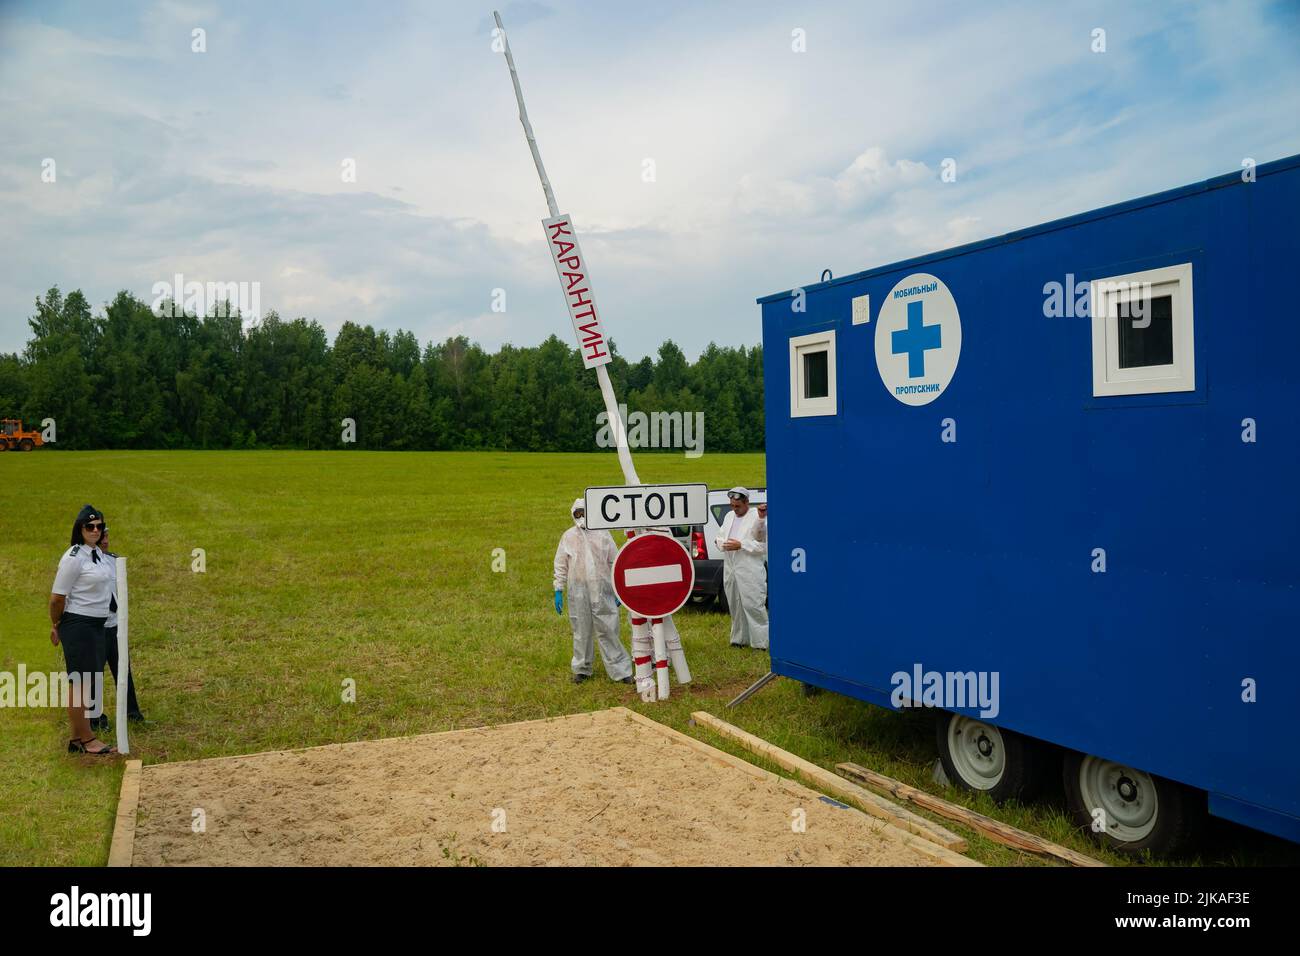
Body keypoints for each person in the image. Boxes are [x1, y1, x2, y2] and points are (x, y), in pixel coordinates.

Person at [49, 505, 117, 755]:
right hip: (79, 625)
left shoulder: (96, 553)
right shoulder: (74, 557)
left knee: (87, 681)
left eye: (99, 526)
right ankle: (88, 739)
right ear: (80, 529)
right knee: (79, 683)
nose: (95, 530)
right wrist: (56, 624)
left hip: (95, 626)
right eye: (90, 526)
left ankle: (76, 739)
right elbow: (57, 598)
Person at [553, 499, 634, 685]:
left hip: (602, 589)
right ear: (573, 514)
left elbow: (614, 561)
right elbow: (561, 564)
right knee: (581, 630)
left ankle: (621, 670)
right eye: (578, 513)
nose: (581, 517)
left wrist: (618, 588)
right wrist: (558, 588)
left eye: (584, 513)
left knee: (608, 628)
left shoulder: (603, 534)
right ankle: (582, 669)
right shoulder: (568, 536)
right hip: (578, 590)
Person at [89, 524, 145, 732]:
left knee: (123, 669)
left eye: (107, 536)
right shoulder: (84, 563)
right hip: (95, 627)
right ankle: (95, 719)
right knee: (94, 674)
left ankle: (132, 713)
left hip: (114, 625)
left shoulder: (114, 561)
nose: (105, 541)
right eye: (101, 537)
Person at [715, 487, 769, 650]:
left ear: (746, 502)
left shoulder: (758, 517)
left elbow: (764, 546)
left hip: (750, 569)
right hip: (731, 567)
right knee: (735, 604)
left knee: (753, 605)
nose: (734, 509)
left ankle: (761, 642)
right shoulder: (729, 516)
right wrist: (721, 543)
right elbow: (720, 536)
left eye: (737, 506)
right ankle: (739, 639)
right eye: (732, 505)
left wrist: (741, 545)